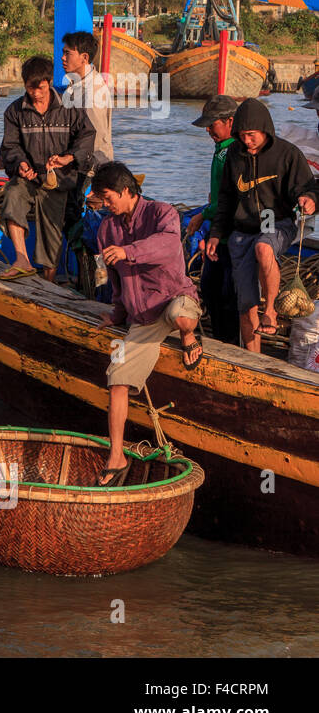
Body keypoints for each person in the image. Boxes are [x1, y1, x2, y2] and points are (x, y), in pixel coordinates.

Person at [92, 162, 203, 486]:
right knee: (116, 377)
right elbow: (114, 281)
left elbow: (169, 246)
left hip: (175, 298)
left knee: (181, 318)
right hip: (143, 317)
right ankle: (116, 455)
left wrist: (129, 251)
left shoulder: (162, 212)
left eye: (108, 196)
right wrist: (116, 314)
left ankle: (189, 335)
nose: (105, 203)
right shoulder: (106, 230)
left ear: (127, 191)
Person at [206, 98, 318, 353]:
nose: (247, 141)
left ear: (265, 130)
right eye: (242, 136)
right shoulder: (234, 154)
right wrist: (215, 234)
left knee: (264, 248)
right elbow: (225, 198)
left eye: (252, 135)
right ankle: (254, 358)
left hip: (276, 221)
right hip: (241, 230)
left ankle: (270, 312)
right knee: (245, 306)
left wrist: (310, 200)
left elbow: (310, 188)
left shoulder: (288, 154)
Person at [0, 55, 96, 281]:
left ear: (49, 82)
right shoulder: (14, 111)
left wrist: (68, 158)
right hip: (29, 178)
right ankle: (21, 259)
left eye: (41, 88)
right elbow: (10, 146)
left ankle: (48, 282)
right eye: (31, 88)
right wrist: (21, 164)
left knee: (51, 234)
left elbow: (87, 136)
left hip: (59, 180)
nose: (36, 94)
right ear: (24, 85)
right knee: (12, 195)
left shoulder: (69, 106)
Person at [184, 95, 240, 344]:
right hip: (219, 231)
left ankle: (229, 342)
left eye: (212, 124)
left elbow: (228, 199)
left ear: (230, 121)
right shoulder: (221, 151)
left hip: (231, 233)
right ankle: (221, 339)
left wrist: (203, 214)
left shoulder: (231, 152)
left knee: (226, 293)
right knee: (211, 287)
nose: (208, 130)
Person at [61, 30, 114, 169]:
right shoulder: (77, 84)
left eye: (68, 54)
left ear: (84, 58)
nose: (62, 58)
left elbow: (94, 137)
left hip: (92, 166)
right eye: (63, 53)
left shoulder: (93, 92)